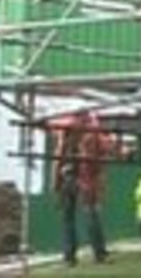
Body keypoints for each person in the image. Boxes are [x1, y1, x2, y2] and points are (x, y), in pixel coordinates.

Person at [51, 110, 125, 266]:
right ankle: (95, 255)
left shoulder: (70, 130)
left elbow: (58, 157)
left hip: (76, 177)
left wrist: (56, 181)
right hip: (79, 178)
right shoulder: (88, 129)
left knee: (76, 217)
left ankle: (73, 257)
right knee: (84, 216)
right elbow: (110, 148)